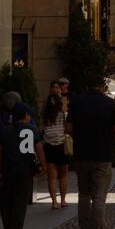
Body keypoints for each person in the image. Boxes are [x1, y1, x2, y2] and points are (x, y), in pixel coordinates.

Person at [66, 73, 115, 229]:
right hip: (103, 155)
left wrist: (81, 136)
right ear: (102, 87)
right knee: (99, 197)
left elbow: (68, 128)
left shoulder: (76, 102)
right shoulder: (109, 103)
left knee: (83, 195)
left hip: (82, 154)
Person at [0, 102, 46, 229]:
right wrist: (43, 166)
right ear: (26, 116)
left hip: (7, 170)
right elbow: (39, 149)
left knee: (5, 202)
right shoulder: (32, 130)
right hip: (24, 170)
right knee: (19, 202)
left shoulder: (5, 130)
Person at [41, 81, 69, 209]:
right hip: (59, 142)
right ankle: (60, 200)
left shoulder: (46, 104)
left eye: (57, 87)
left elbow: (42, 122)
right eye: (55, 87)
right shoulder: (62, 102)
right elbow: (66, 121)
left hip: (50, 142)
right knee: (61, 174)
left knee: (54, 175)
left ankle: (56, 202)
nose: (57, 89)